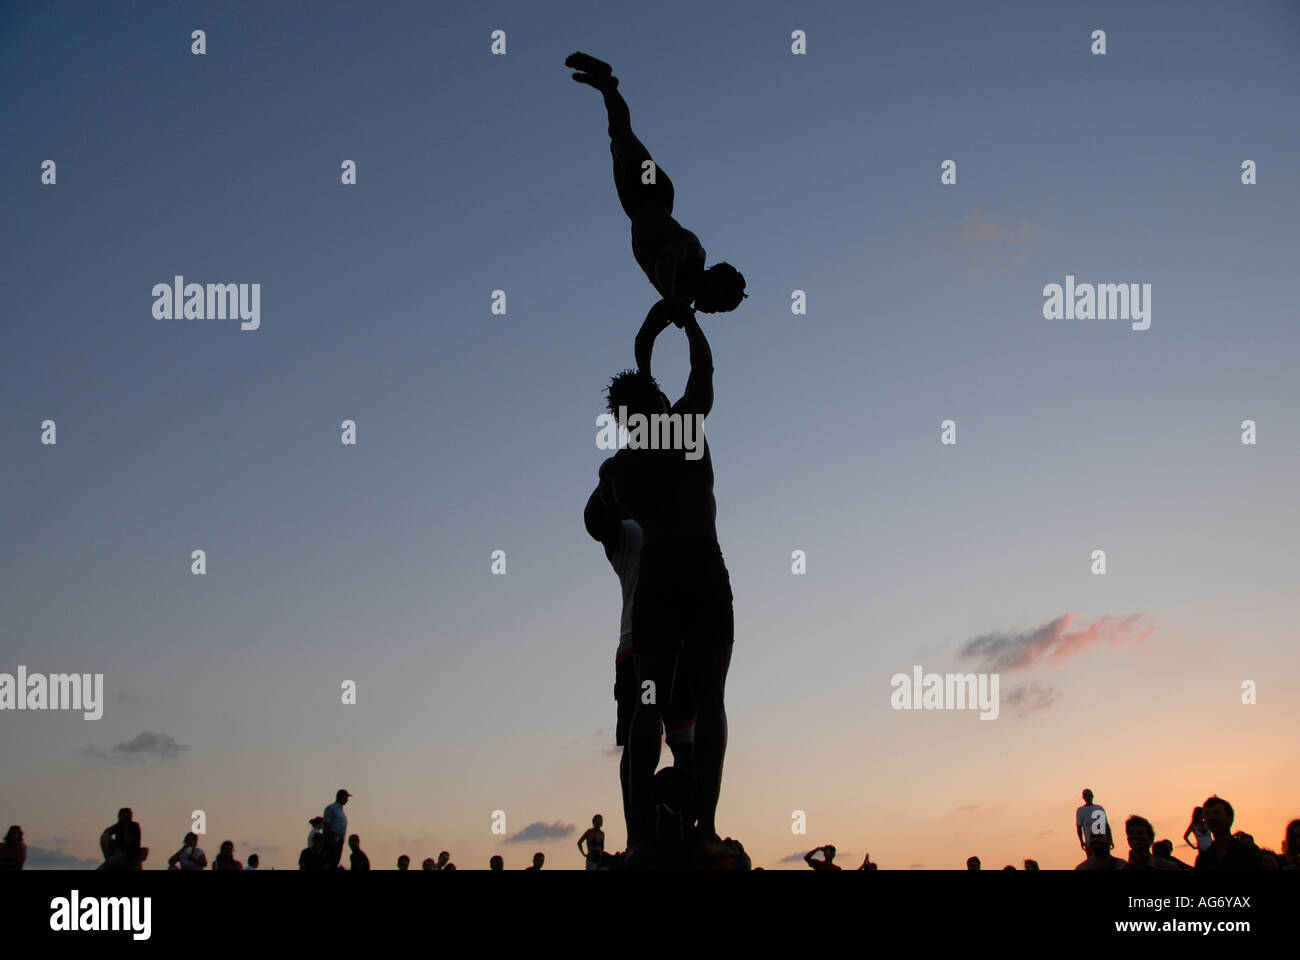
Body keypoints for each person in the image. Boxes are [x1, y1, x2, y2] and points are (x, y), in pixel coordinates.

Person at [598, 301, 736, 866]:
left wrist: (649, 339)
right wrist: (688, 321)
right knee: (709, 699)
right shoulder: (683, 427)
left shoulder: (622, 470)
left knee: (648, 707)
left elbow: (604, 504)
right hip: (700, 569)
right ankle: (704, 829)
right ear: (655, 404)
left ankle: (637, 842)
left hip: (658, 576)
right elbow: (704, 371)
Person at [565, 52, 746, 314]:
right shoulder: (696, 256)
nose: (714, 309)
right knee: (622, 136)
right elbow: (668, 257)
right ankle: (607, 83)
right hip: (652, 189)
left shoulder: (682, 293)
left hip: (632, 202)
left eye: (720, 310)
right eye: (720, 302)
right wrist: (671, 299)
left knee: (616, 138)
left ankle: (607, 88)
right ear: (716, 280)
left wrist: (675, 306)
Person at [1195, 796, 1262, 870]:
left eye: (1217, 814)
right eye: (1207, 815)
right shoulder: (1203, 860)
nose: (1211, 818)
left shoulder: (1250, 853)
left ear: (1230, 818)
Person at [1075, 789, 1112, 856]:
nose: (1088, 797)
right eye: (1086, 795)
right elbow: (1079, 827)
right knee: (1092, 863)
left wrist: (1110, 839)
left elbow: (1106, 825)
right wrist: (1081, 841)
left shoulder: (1099, 808)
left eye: (1089, 795)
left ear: (1092, 796)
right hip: (1090, 843)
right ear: (1083, 797)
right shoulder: (1080, 810)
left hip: (1103, 842)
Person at [322, 789, 351, 870]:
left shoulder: (340, 810)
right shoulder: (331, 808)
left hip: (339, 841)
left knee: (335, 862)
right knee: (329, 862)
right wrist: (331, 837)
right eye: (346, 797)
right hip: (332, 840)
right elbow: (326, 823)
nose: (347, 800)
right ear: (341, 797)